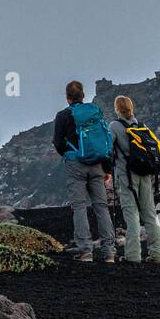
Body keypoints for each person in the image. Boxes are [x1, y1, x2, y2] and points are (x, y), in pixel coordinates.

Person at [52, 80, 116, 263]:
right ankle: (109, 252)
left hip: (75, 164)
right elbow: (104, 139)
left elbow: (57, 142)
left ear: (67, 98)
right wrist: (107, 168)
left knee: (79, 207)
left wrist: (69, 154)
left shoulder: (63, 116)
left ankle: (86, 251)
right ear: (83, 96)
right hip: (97, 164)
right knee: (101, 207)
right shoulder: (94, 113)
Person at [109, 95, 160, 265]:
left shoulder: (114, 126)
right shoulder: (142, 126)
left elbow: (107, 148)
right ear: (131, 108)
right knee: (150, 213)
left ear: (117, 109)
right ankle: (158, 255)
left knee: (131, 213)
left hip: (127, 175)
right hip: (146, 174)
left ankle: (133, 256)